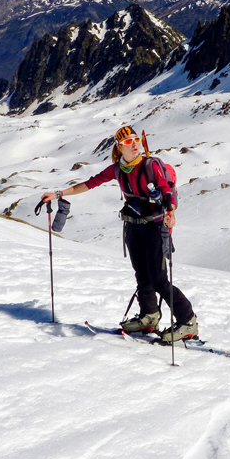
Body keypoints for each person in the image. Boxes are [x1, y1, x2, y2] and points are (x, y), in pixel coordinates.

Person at [40, 125, 198, 342]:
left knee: (159, 279)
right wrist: (59, 193)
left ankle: (188, 320)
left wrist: (171, 212)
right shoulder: (117, 170)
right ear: (119, 147)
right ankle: (149, 315)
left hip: (155, 226)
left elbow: (166, 190)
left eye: (135, 140)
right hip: (133, 226)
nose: (133, 144)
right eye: (127, 142)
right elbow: (90, 183)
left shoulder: (151, 165)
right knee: (142, 274)